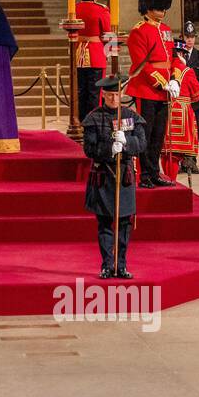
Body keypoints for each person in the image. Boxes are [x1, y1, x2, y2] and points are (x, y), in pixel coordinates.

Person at [82, 76, 148, 279]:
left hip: (124, 176)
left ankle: (121, 265)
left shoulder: (131, 116)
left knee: (124, 225)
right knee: (104, 223)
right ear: (103, 95)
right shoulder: (94, 118)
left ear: (122, 95)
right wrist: (109, 148)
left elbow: (142, 144)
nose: (113, 98)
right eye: (110, 95)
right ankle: (107, 265)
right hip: (104, 176)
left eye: (117, 94)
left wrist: (126, 141)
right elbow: (89, 149)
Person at [125, 0, 178, 188]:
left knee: (158, 134)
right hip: (148, 90)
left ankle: (154, 172)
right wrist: (164, 83)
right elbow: (141, 65)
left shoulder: (165, 29)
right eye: (159, 4)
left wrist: (175, 78)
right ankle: (145, 175)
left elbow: (173, 57)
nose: (163, 9)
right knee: (145, 133)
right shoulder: (139, 30)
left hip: (164, 91)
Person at [74, 0, 112, 119]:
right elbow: (107, 35)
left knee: (80, 92)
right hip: (96, 55)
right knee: (95, 94)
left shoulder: (75, 8)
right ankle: (94, 123)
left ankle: (81, 122)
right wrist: (111, 52)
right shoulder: (101, 10)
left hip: (78, 54)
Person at [160, 38, 199, 181]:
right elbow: (197, 94)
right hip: (182, 112)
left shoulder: (164, 69)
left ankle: (166, 178)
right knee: (176, 153)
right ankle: (172, 181)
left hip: (165, 110)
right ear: (181, 54)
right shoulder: (187, 71)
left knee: (165, 152)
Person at [181, 21, 199, 172]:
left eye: (192, 37)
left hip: (196, 100)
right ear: (182, 37)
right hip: (182, 101)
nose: (190, 40)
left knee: (194, 131)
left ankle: (192, 161)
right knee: (182, 131)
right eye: (187, 36)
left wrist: (194, 91)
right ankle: (182, 161)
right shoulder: (178, 55)